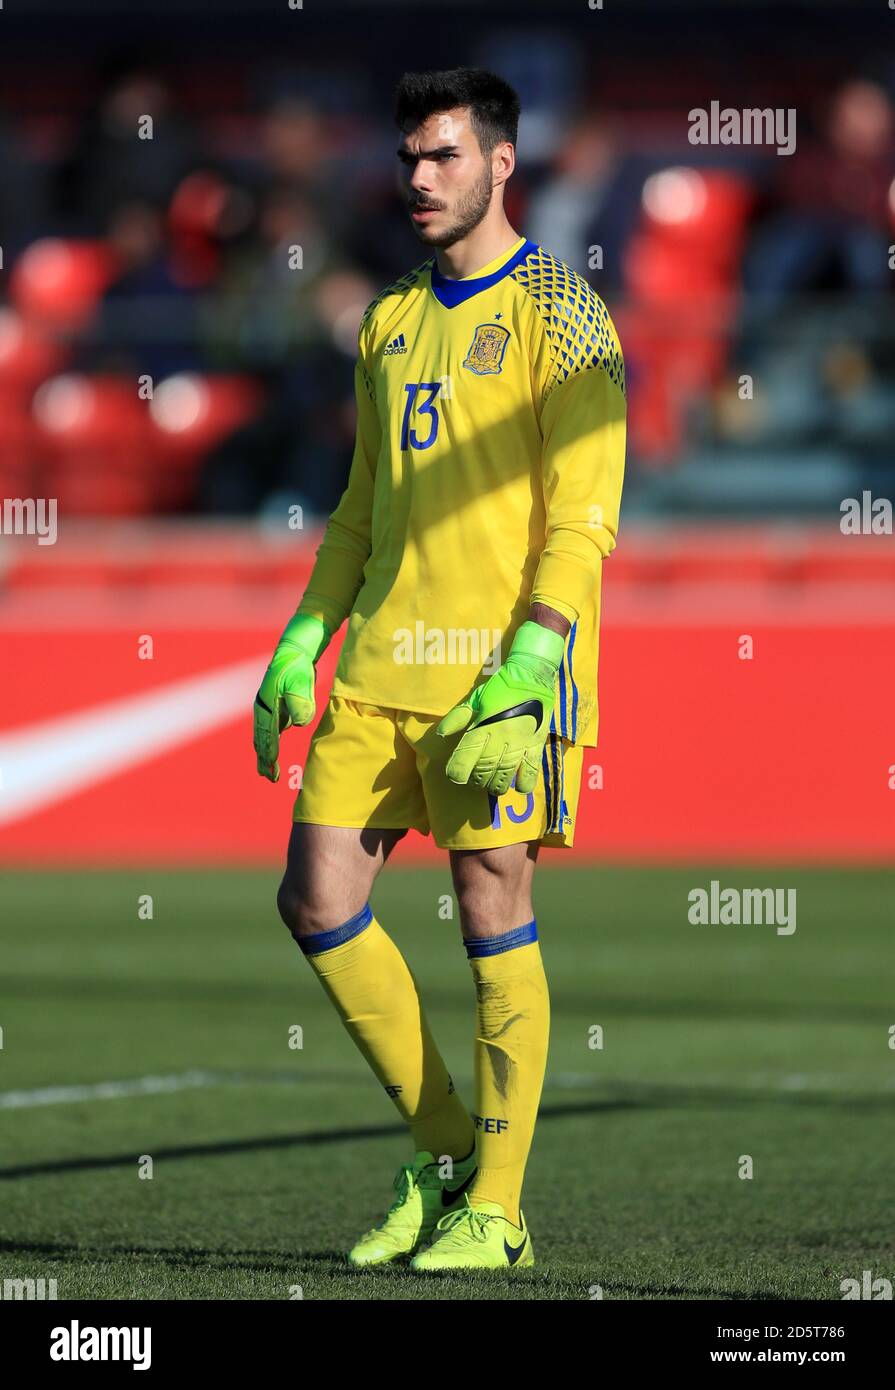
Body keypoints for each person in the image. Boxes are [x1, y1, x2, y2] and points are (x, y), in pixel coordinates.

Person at [253, 66, 626, 1273]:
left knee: (488, 909)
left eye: (445, 156)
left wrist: (535, 656)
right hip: (378, 665)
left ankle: (498, 1211)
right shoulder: (391, 316)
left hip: (494, 676)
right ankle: (449, 1144)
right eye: (410, 157)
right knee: (316, 900)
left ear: (503, 164)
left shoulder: (567, 315)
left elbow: (584, 517)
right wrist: (307, 633)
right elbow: (362, 508)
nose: (419, 178)